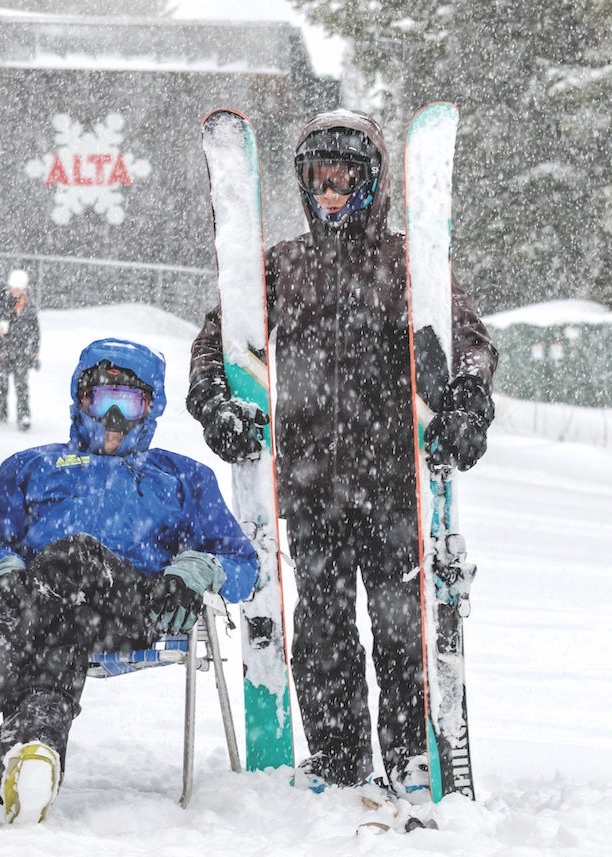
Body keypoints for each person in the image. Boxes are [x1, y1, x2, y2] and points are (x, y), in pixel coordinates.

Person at [186, 108, 498, 800]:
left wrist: (468, 402)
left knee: (400, 625)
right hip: (310, 485)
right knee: (322, 629)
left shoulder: (408, 265)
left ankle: (410, 753)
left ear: (372, 182)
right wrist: (214, 400)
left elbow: (470, 342)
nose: (329, 194)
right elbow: (219, 339)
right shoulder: (283, 266)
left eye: (343, 179)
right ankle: (338, 753)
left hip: (392, 485)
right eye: (318, 180)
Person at [0, 338, 259, 824]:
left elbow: (242, 563)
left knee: (76, 556)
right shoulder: (30, 467)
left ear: (150, 408)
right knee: (59, 622)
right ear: (81, 400)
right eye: (102, 401)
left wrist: (193, 572)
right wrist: (3, 573)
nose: (113, 419)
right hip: (49, 612)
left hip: (134, 608)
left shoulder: (181, 476)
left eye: (128, 404)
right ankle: (31, 758)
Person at [0, 268, 40, 430]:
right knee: (1, 385)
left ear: (24, 288)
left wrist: (35, 349)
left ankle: (24, 416)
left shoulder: (28, 306)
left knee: (22, 385)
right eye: (14, 286)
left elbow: (35, 329)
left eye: (20, 288)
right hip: (2, 350)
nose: (16, 290)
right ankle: (1, 414)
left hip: (22, 352)